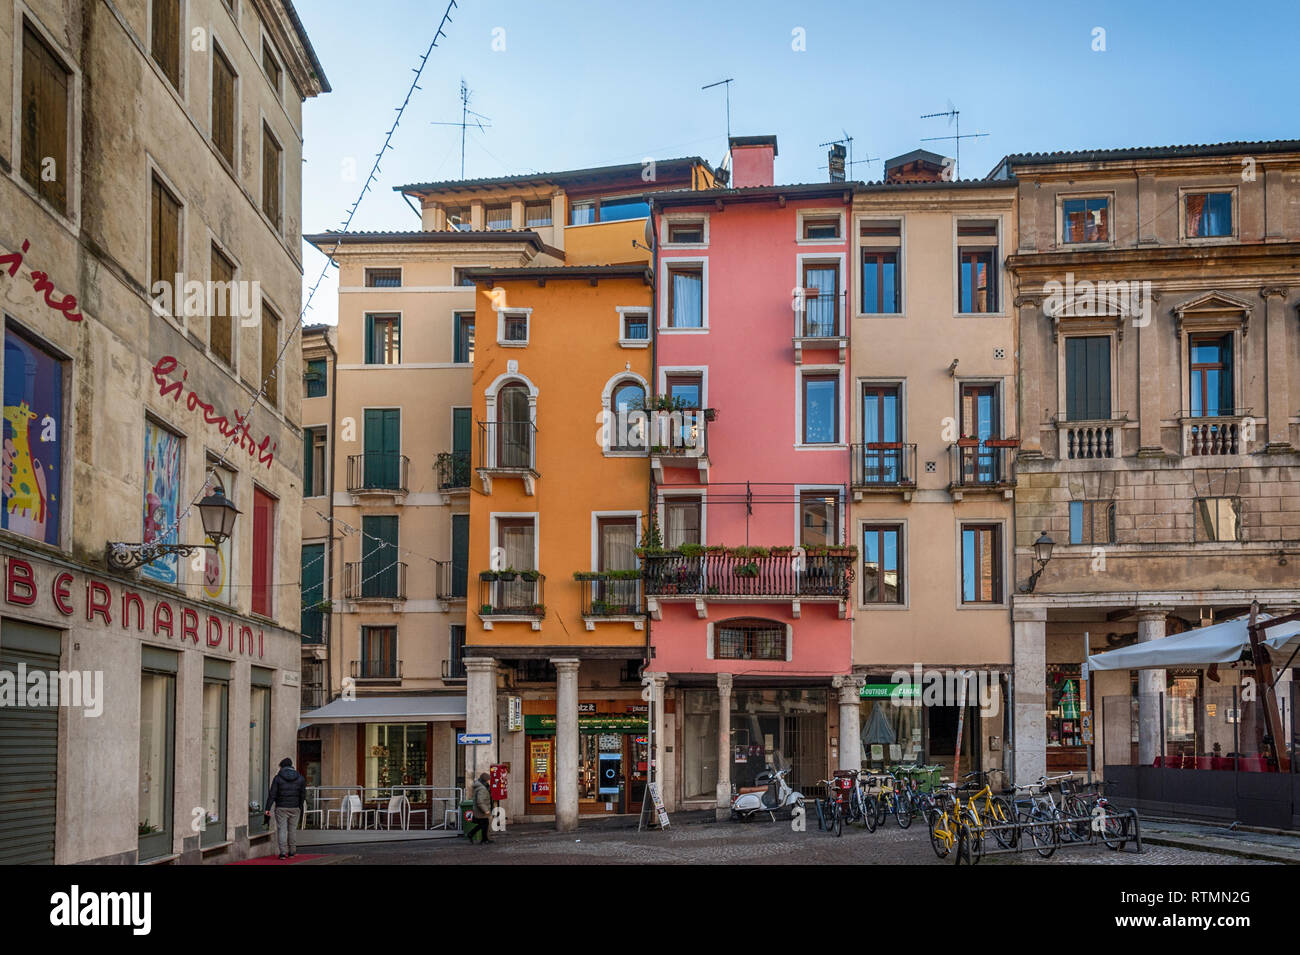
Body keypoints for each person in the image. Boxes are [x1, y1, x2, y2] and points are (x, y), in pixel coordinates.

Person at [265, 757, 307, 859]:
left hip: (281, 808)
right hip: (295, 807)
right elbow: (303, 794)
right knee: (292, 830)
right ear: (292, 766)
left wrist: (267, 808)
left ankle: (283, 853)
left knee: (282, 830)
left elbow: (272, 794)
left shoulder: (277, 778)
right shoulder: (300, 778)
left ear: (282, 766)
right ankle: (292, 852)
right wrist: (299, 805)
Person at [467, 772, 492, 845]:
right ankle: (474, 835)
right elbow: (480, 801)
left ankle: (484, 839)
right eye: (488, 780)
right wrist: (486, 810)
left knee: (484, 824)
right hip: (481, 811)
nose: (489, 781)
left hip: (479, 810)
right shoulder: (482, 789)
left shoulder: (480, 787)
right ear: (485, 780)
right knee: (483, 824)